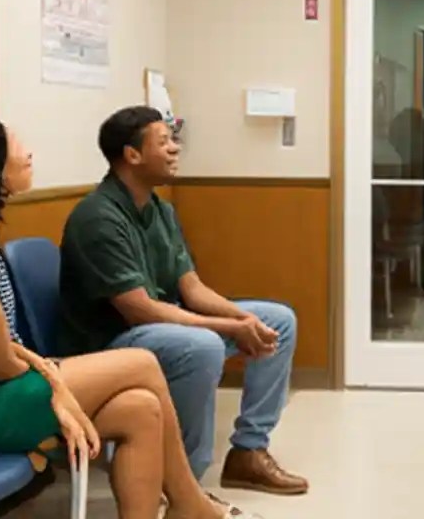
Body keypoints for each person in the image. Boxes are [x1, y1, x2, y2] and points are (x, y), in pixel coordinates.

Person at [0, 118, 255, 519]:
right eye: (14, 146)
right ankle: (191, 506)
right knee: (141, 363)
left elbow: (3, 347)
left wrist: (57, 387)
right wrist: (60, 394)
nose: (27, 152)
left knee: (140, 408)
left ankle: (182, 508)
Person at [57, 106, 307, 494]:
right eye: (165, 142)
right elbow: (139, 310)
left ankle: (248, 452)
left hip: (158, 328)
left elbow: (192, 290)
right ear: (132, 155)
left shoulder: (160, 210)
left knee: (278, 320)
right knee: (202, 345)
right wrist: (230, 328)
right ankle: (182, 484)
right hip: (110, 344)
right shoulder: (98, 217)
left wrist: (246, 321)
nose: (175, 149)